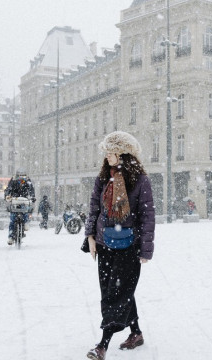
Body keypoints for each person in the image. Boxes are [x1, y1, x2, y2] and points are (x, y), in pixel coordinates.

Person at [85, 131, 155, 360]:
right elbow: (94, 207)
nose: (107, 157)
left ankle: (102, 344)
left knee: (116, 294)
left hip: (129, 246)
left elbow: (147, 215)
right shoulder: (104, 178)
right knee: (115, 291)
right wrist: (90, 237)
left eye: (111, 152)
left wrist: (145, 249)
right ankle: (136, 333)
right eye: (106, 152)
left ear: (123, 154)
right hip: (105, 243)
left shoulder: (140, 180)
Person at [4, 169, 36, 245]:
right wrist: (7, 196)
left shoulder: (28, 181)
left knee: (26, 212)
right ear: (17, 175)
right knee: (12, 218)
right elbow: (9, 189)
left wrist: (32, 197)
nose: (22, 178)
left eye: (23, 176)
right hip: (15, 199)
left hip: (24, 199)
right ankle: (11, 237)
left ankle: (26, 223)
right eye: (20, 176)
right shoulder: (13, 180)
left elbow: (31, 189)